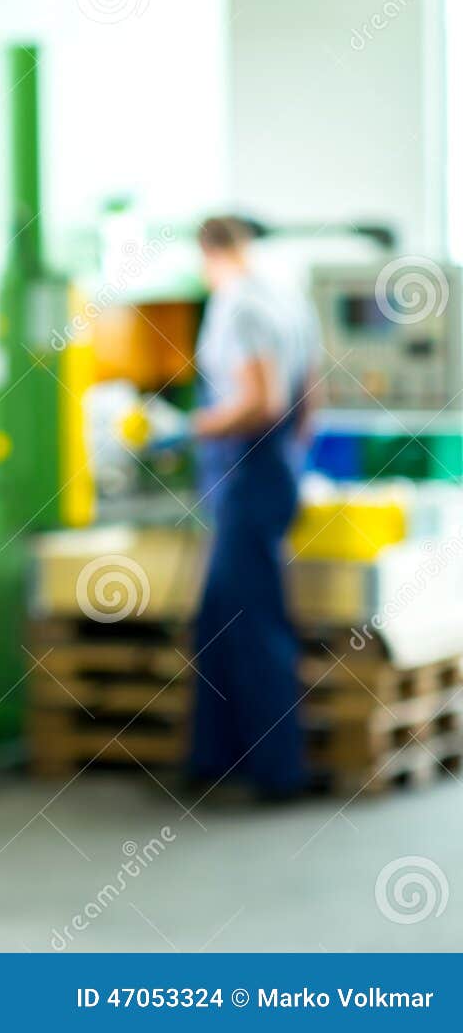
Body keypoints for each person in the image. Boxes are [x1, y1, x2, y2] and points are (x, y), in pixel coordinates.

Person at [184, 215, 321, 800]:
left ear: (208, 252)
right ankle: (212, 758)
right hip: (276, 470)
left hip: (246, 474)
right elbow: (310, 394)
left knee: (254, 621)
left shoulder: (237, 307)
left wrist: (190, 427)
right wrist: (289, 457)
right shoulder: (290, 299)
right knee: (216, 616)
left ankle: (279, 773)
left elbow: (262, 402)